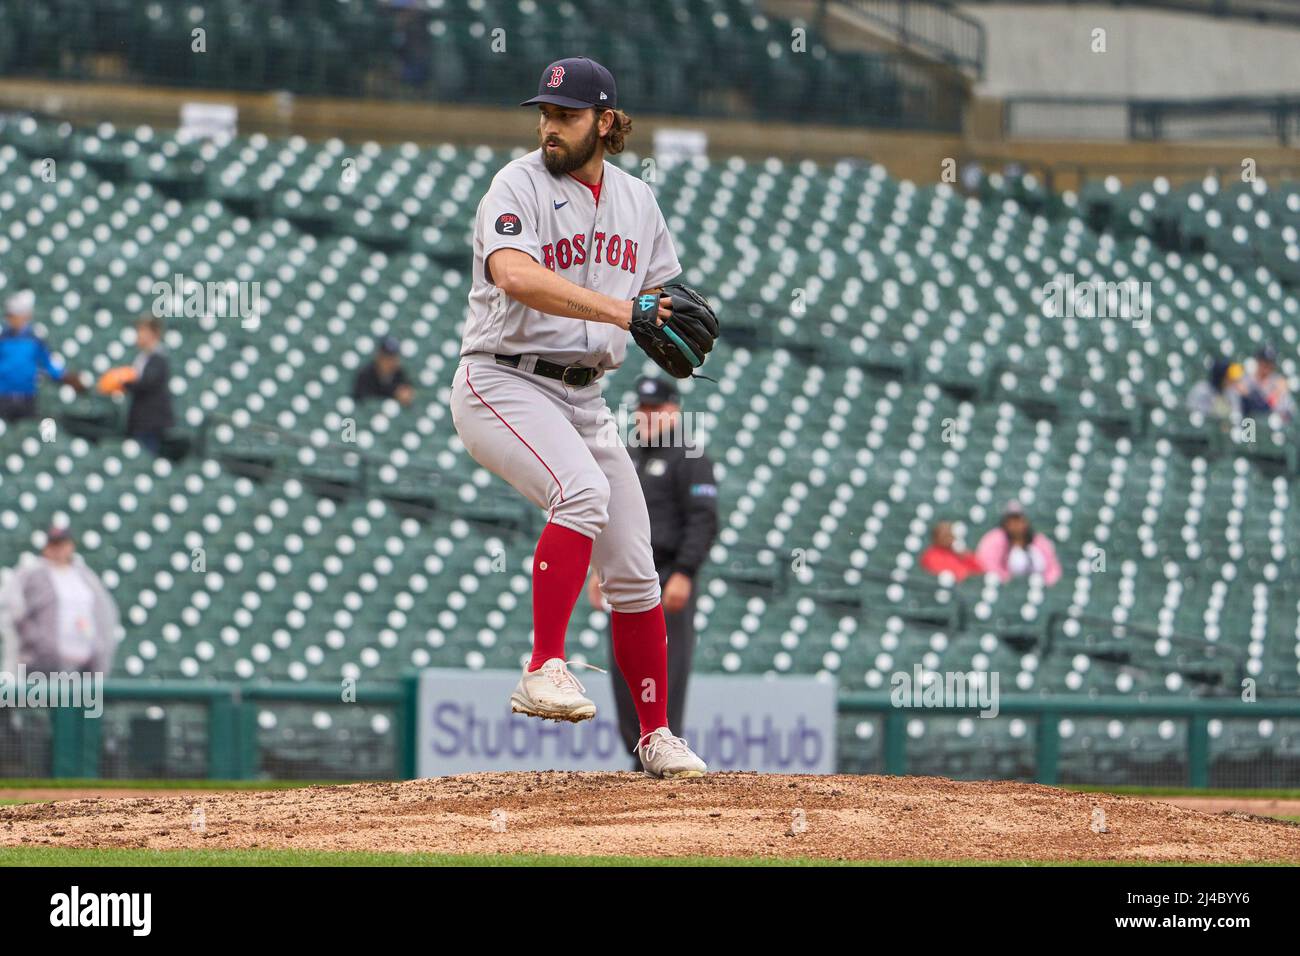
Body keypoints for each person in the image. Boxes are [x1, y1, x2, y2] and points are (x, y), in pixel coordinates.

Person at [448, 56, 708, 778]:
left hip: (584, 395)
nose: (548, 127)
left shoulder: (637, 202)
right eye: (544, 113)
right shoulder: (517, 184)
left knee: (634, 565)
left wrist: (663, 318)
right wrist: (626, 310)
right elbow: (515, 276)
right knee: (582, 494)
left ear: (606, 121)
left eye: (565, 115)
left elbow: (663, 296)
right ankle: (542, 665)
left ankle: (655, 735)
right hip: (502, 379)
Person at [587, 376, 718, 766]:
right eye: (642, 410)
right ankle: (638, 757)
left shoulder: (690, 456)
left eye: (655, 409)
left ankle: (663, 749)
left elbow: (704, 519)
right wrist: (600, 570)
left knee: (665, 669)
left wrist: (685, 573)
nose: (647, 416)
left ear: (674, 411)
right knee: (624, 669)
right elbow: (611, 517)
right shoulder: (628, 456)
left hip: (665, 575)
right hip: (625, 574)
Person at [0, 526, 120, 676]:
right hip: (41, 668)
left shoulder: (86, 577)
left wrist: (99, 651)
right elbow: (12, 608)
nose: (58, 550)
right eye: (54, 545)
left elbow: (105, 614)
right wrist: (34, 641)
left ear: (71, 546)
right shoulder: (32, 574)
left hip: (82, 667)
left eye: (62, 544)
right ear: (47, 547)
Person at [0, 290, 83, 422]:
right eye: (10, 316)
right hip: (3, 397)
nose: (11, 319)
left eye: (15, 315)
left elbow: (48, 364)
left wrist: (65, 376)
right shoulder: (3, 339)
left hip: (27, 398)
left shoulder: (34, 340)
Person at [975, 501, 1062, 585]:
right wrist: (1007, 582)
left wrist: (1045, 583)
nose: (1015, 524)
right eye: (1011, 520)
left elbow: (1053, 568)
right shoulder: (994, 539)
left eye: (1018, 520)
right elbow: (987, 565)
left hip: (1038, 588)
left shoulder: (1039, 541)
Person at [122, 317, 175, 454]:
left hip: (150, 423)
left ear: (154, 333)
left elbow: (147, 382)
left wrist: (124, 383)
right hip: (139, 421)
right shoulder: (142, 357)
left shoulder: (158, 358)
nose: (138, 335)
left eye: (142, 330)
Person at [352, 336, 414, 406]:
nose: (389, 361)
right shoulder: (365, 374)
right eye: (386, 357)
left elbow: (408, 397)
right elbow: (360, 400)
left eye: (393, 357)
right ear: (379, 355)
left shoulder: (400, 375)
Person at [919, 521, 984, 582]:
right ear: (936, 537)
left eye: (951, 534)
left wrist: (965, 555)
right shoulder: (931, 555)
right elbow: (947, 575)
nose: (949, 538)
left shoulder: (959, 552)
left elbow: (979, 570)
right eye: (945, 535)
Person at [1248, 345, 1293, 422]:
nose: (1267, 366)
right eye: (1264, 362)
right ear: (1258, 361)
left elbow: (1286, 414)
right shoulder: (1248, 379)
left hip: (1272, 423)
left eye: (1270, 362)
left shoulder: (1279, 382)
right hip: (1250, 423)